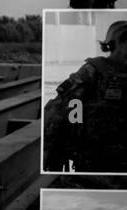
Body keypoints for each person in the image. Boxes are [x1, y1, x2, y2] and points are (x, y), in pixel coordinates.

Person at [43, 18, 127, 172]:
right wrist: (52, 153)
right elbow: (60, 109)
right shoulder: (93, 71)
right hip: (94, 164)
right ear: (116, 44)